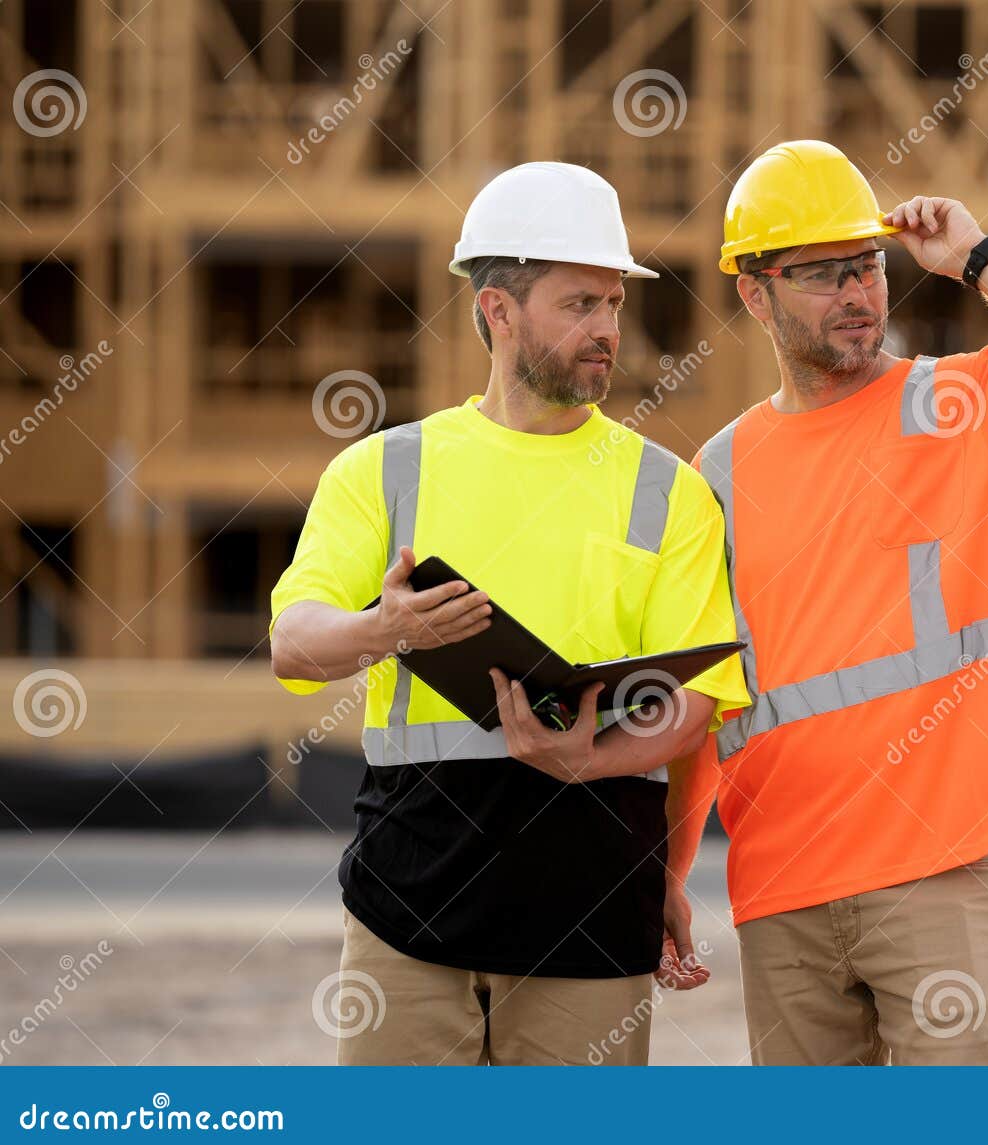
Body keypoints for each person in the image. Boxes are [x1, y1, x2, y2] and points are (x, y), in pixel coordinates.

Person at [671, 140, 988, 1064]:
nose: (858, 293)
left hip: (940, 876)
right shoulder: (720, 474)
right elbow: (707, 692)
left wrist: (981, 258)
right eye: (821, 274)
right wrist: (669, 869)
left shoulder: (958, 405)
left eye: (867, 265)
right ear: (753, 293)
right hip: (781, 895)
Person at [269, 162, 747, 1065]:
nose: (607, 329)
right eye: (579, 305)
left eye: (613, 303)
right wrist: (387, 629)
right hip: (405, 915)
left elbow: (698, 704)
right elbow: (293, 645)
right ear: (497, 310)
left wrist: (591, 756)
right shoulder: (384, 470)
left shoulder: (669, 493)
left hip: (594, 921)